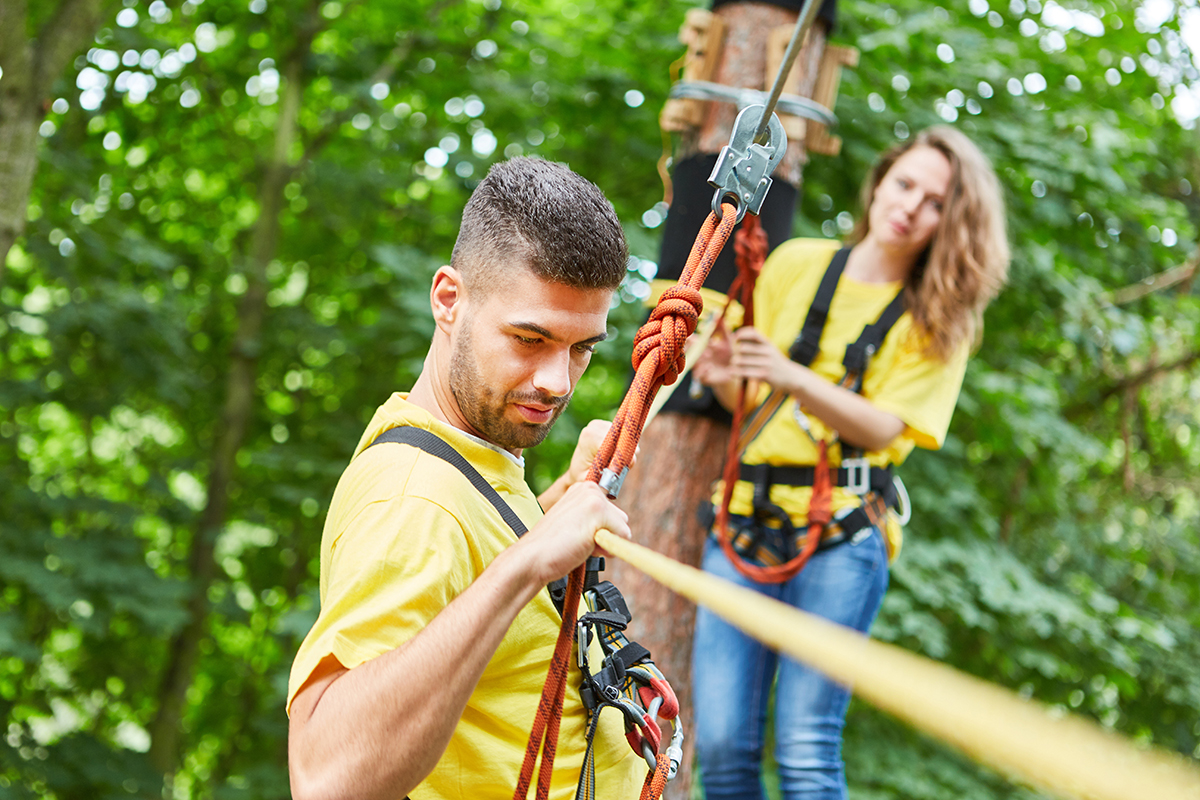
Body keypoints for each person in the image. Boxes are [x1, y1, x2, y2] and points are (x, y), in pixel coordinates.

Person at [286, 157, 646, 800]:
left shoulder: (463, 455)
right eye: (530, 339)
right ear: (449, 299)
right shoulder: (414, 498)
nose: (556, 382)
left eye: (581, 348)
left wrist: (558, 500)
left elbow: (462, 584)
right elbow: (326, 778)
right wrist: (533, 559)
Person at [689, 126, 1010, 800]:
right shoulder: (796, 264)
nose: (911, 206)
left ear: (952, 221)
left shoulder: (937, 318)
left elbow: (886, 427)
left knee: (805, 750)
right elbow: (750, 401)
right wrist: (723, 373)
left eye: (935, 201)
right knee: (721, 747)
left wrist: (791, 375)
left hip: (841, 533)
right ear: (880, 183)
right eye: (905, 185)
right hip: (744, 518)